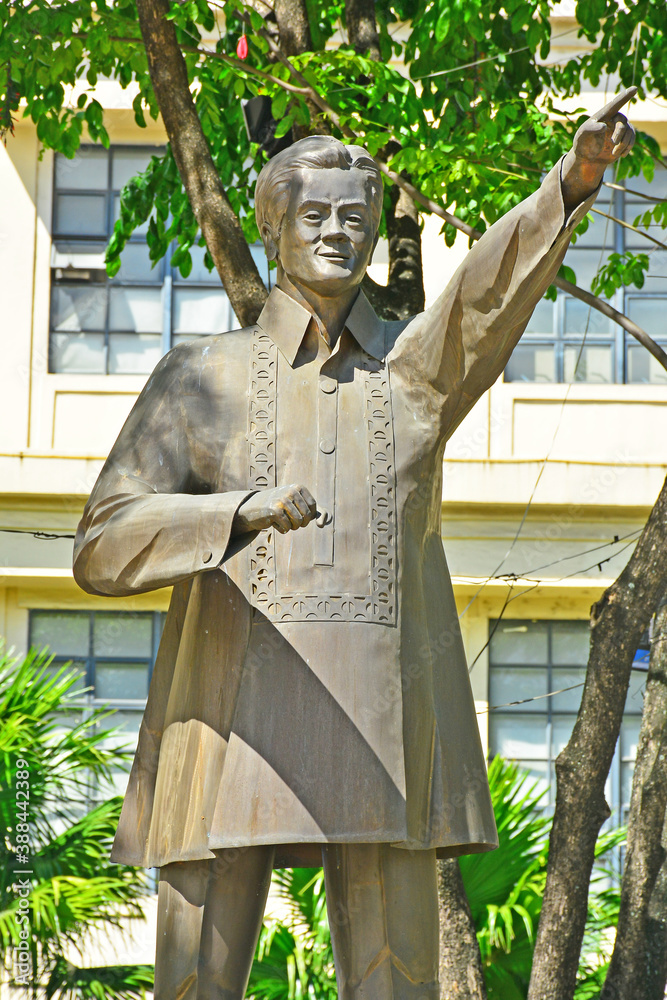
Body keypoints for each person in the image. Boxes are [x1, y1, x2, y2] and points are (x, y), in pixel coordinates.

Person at [73, 91, 635, 1000]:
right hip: (226, 719)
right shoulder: (200, 375)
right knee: (192, 986)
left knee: (396, 983)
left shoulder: (409, 380)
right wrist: (232, 515)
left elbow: (480, 302)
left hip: (382, 724)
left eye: (356, 218)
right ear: (271, 228)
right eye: (313, 215)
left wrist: (569, 185)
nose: (337, 232)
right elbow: (100, 543)